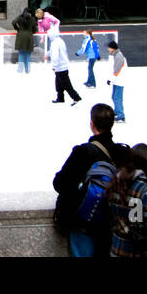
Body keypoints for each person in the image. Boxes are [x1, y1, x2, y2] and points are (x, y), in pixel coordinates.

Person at [52, 103, 119, 257]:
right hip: (111, 223)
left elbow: (60, 184)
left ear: (92, 124)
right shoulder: (122, 152)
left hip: (83, 224)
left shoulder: (82, 152)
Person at [107, 143, 147, 257]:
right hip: (137, 251)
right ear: (145, 164)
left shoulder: (117, 182)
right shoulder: (146, 189)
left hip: (117, 248)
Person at [47, 23, 81, 106]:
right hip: (62, 66)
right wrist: (48, 54)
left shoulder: (55, 43)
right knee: (58, 83)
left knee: (66, 84)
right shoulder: (59, 41)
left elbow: (55, 55)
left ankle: (76, 97)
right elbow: (52, 52)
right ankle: (60, 98)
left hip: (60, 66)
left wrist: (54, 66)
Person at [11, 7, 37, 74]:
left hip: (21, 37)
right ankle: (27, 70)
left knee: (21, 54)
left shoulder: (20, 17)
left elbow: (13, 22)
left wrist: (18, 29)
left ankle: (20, 70)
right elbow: (35, 29)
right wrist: (32, 31)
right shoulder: (32, 19)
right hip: (29, 37)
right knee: (28, 55)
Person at [106, 40, 127, 122]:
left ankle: (121, 115)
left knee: (117, 98)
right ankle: (117, 111)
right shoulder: (116, 55)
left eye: (109, 47)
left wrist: (111, 79)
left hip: (119, 80)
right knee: (114, 97)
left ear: (112, 48)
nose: (108, 49)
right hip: (117, 80)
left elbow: (117, 70)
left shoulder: (118, 56)